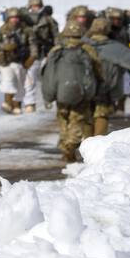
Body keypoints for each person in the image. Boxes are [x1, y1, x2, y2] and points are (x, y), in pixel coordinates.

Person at [40, 20, 103, 164]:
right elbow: (98, 68)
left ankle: (65, 144)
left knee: (63, 119)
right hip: (81, 93)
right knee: (77, 119)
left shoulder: (56, 50)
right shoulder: (87, 49)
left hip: (61, 92)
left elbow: (46, 72)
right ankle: (70, 146)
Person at [86, 16, 130, 137]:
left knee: (87, 116)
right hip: (106, 89)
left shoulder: (82, 44)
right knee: (102, 115)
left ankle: (87, 143)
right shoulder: (115, 47)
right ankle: (97, 144)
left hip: (86, 89)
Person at [0, 7, 35, 114]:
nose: (14, 20)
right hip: (5, 61)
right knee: (8, 80)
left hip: (20, 61)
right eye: (12, 18)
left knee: (20, 83)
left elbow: (33, 45)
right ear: (8, 19)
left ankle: (17, 105)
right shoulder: (2, 30)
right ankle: (7, 103)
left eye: (16, 18)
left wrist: (31, 57)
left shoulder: (27, 31)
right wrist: (5, 47)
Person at [21, 0, 58, 110]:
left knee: (46, 78)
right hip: (31, 53)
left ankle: (47, 99)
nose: (35, 8)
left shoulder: (48, 20)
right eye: (33, 6)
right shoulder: (24, 20)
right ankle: (30, 103)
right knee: (30, 79)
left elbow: (56, 36)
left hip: (46, 52)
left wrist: (55, 50)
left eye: (38, 6)